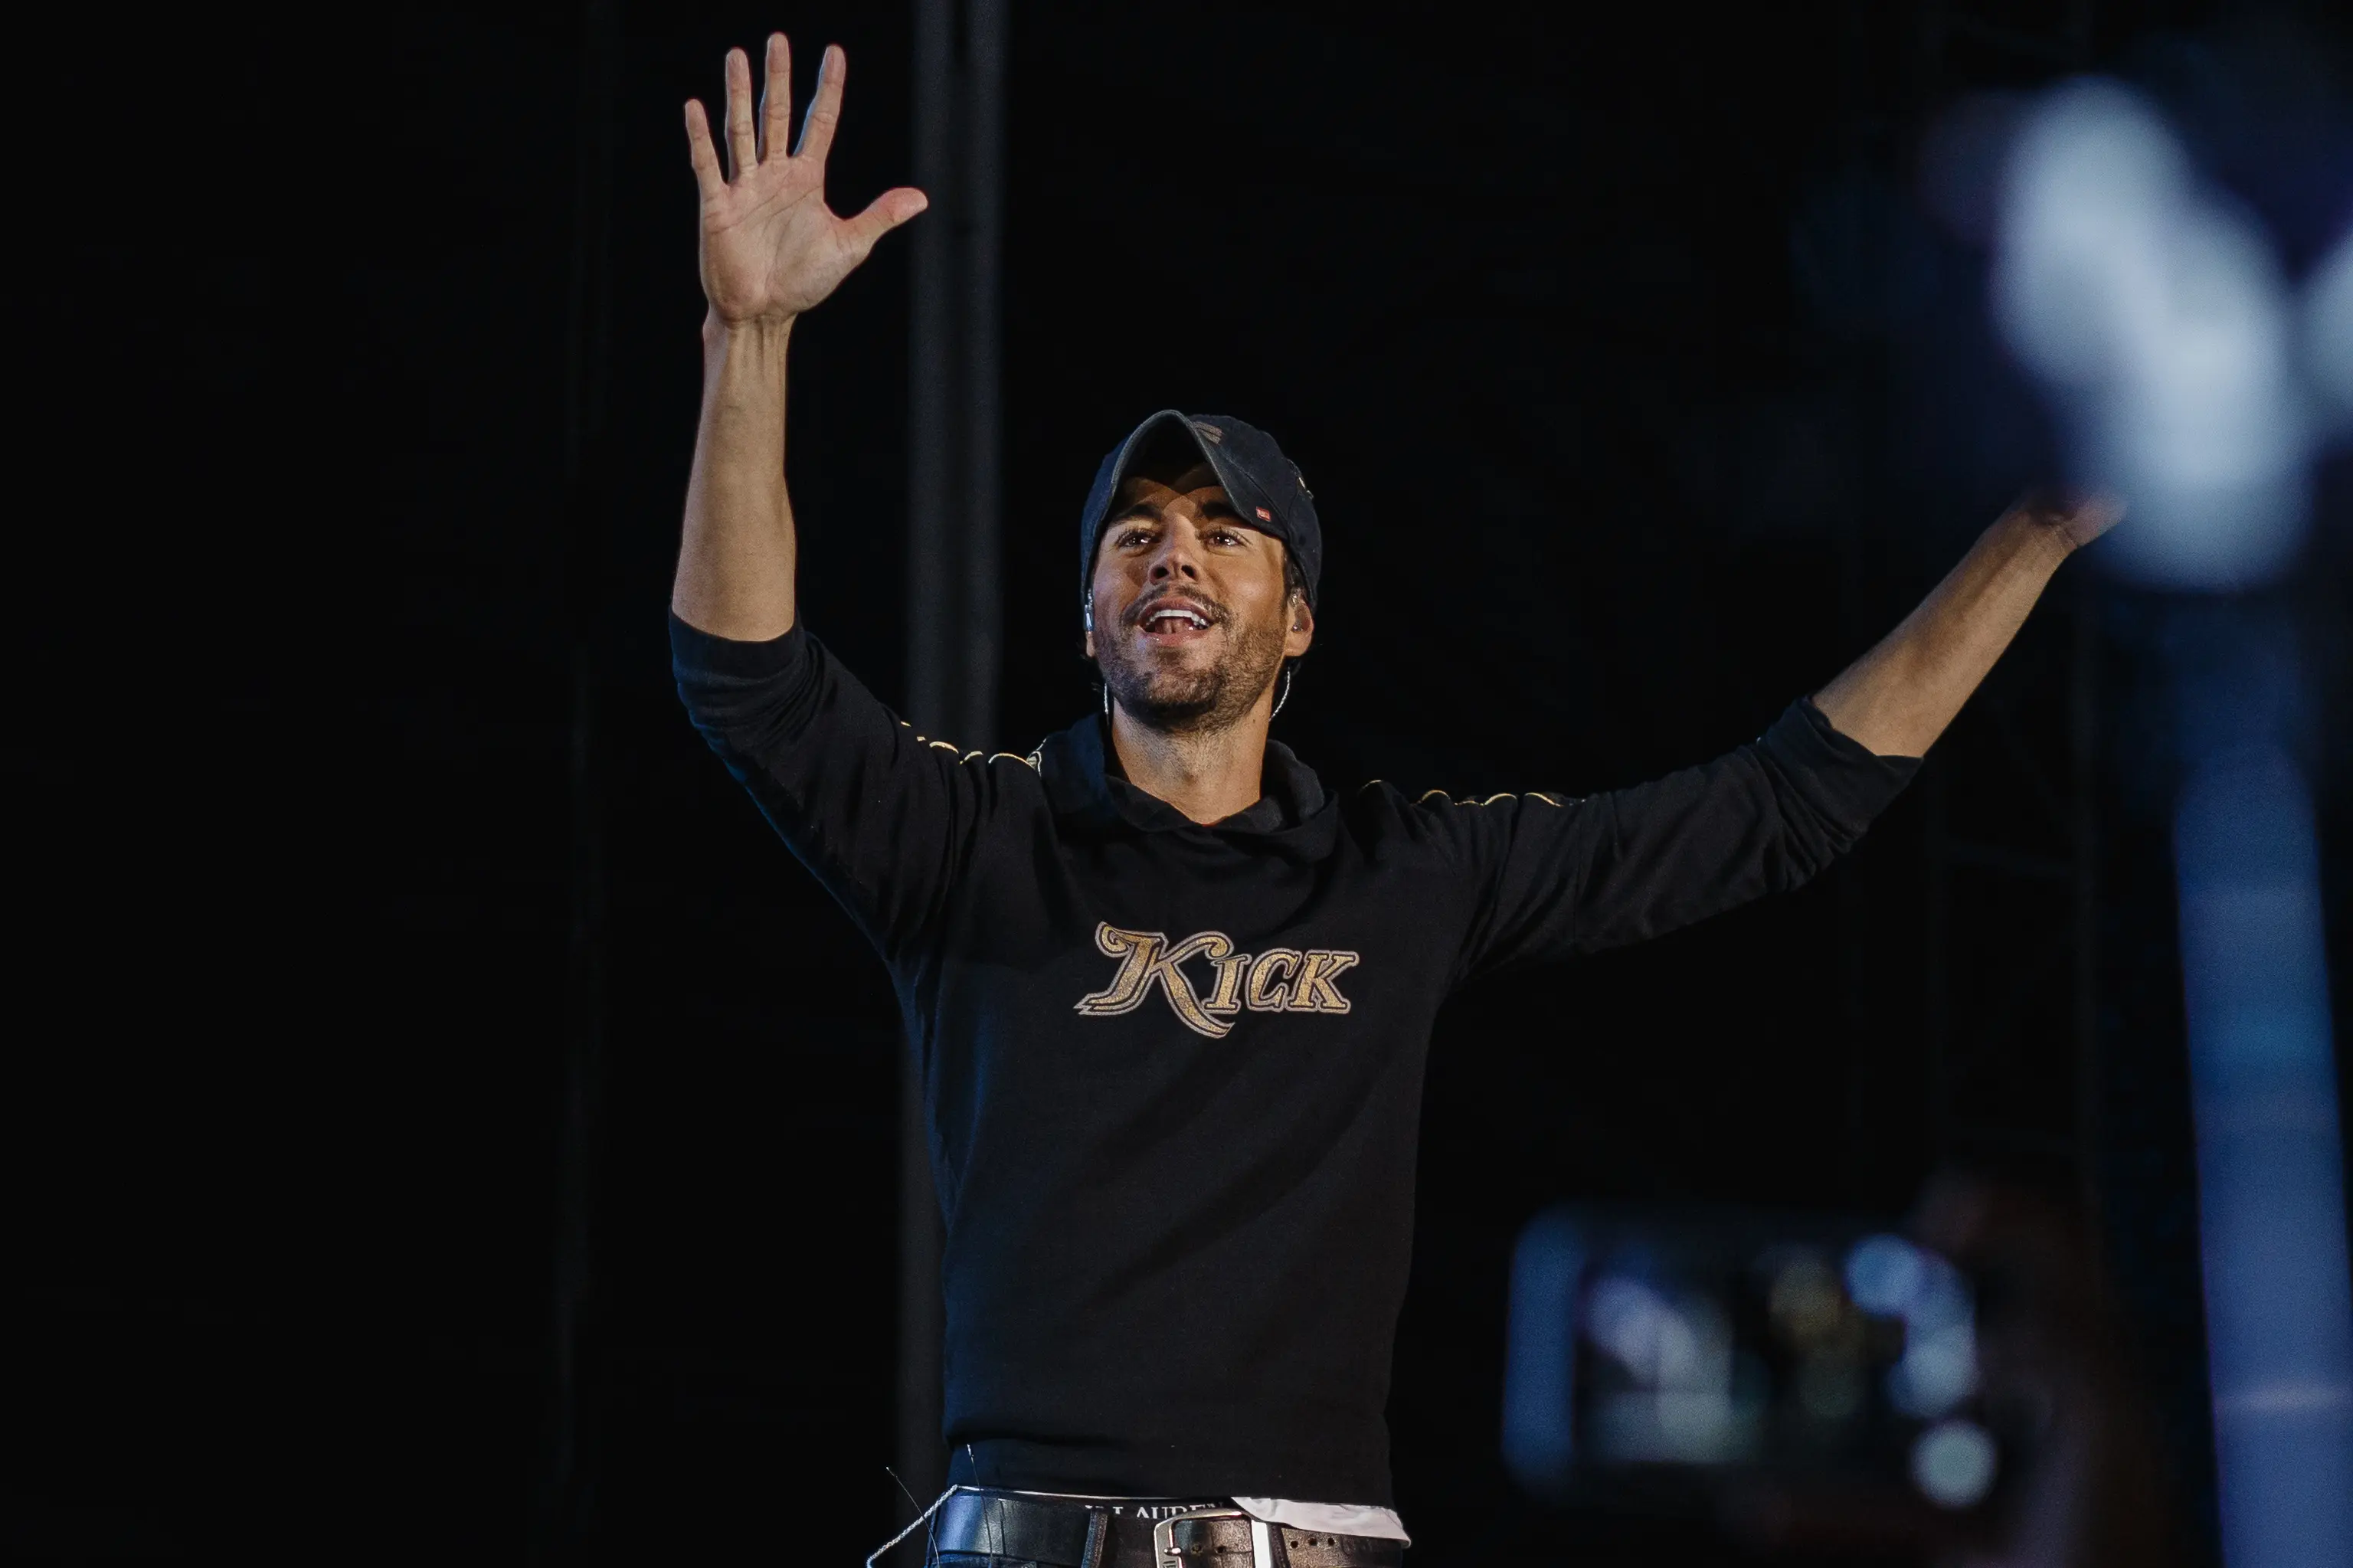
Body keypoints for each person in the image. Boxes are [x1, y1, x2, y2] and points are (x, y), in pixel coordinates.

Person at [668, 33, 2121, 1568]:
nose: (1174, 552)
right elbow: (744, 680)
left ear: (1297, 620)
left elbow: (1780, 808)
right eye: (1135, 535)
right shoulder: (974, 841)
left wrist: (2032, 531)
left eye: (1226, 531)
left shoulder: (1401, 873)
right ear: (1089, 618)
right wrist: (747, 334)